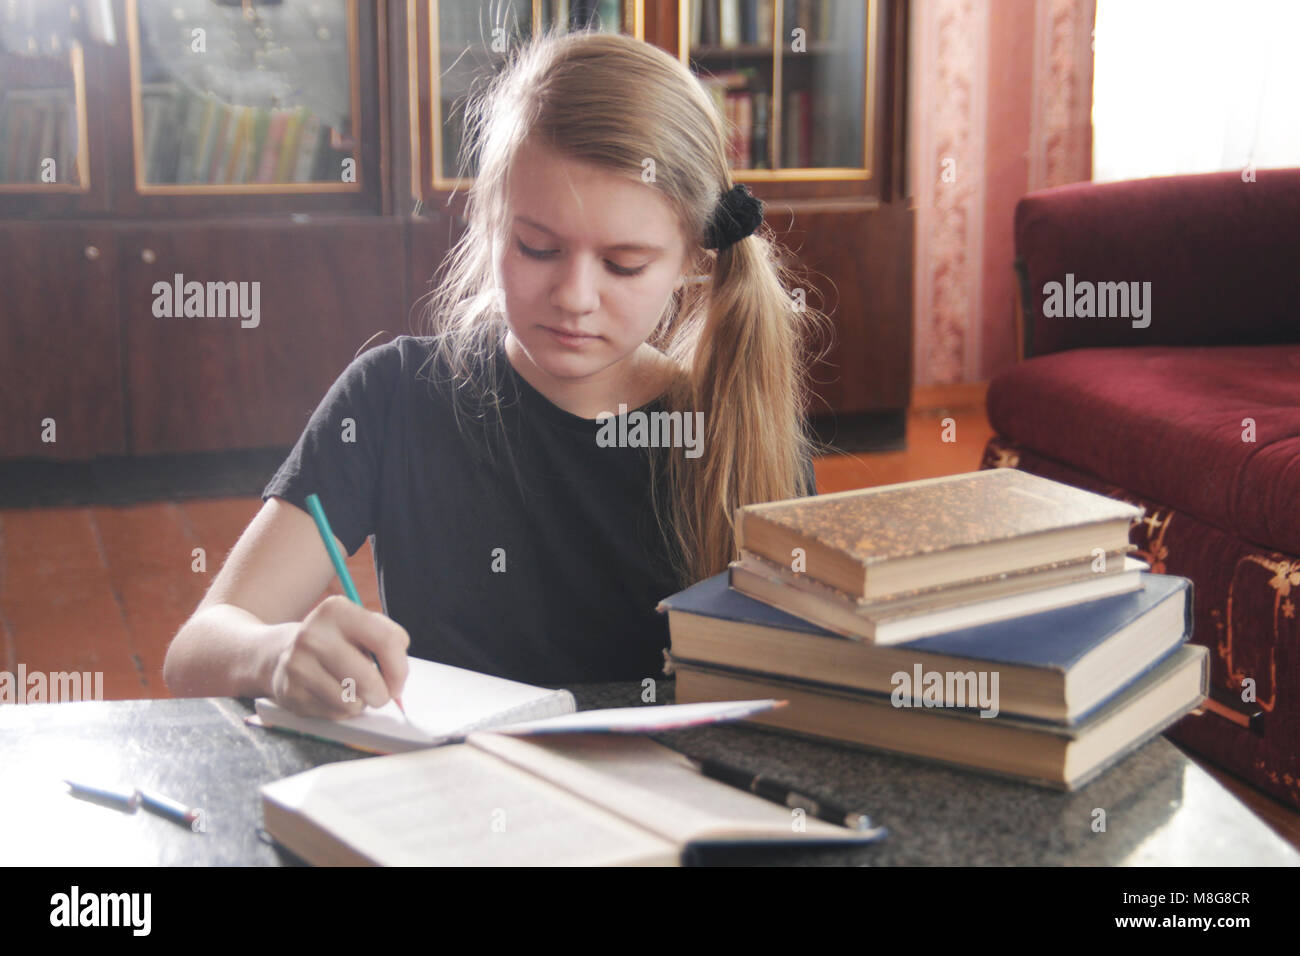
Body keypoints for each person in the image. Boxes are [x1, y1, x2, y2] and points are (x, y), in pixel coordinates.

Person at [162, 28, 827, 718]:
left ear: (693, 256)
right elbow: (196, 653)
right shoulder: (394, 398)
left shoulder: (738, 432)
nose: (573, 296)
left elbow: (802, 700)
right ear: (489, 221)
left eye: (624, 264)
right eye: (537, 247)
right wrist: (274, 656)